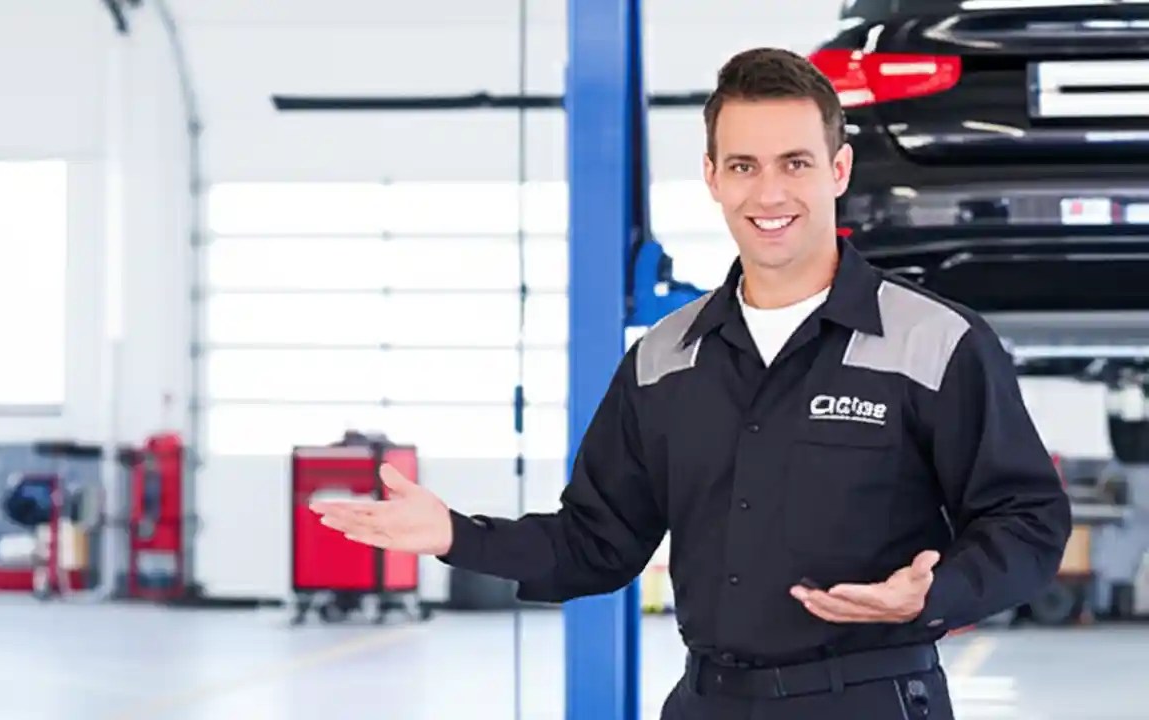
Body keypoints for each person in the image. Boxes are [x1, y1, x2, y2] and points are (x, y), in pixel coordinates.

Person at [311, 46, 1073, 719]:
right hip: (708, 703)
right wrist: (455, 535)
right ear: (712, 177)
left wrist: (934, 594)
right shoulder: (665, 358)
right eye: (743, 166)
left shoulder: (933, 341)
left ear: (838, 170)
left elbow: (1028, 520)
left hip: (870, 700)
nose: (768, 195)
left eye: (795, 164)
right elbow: (595, 544)